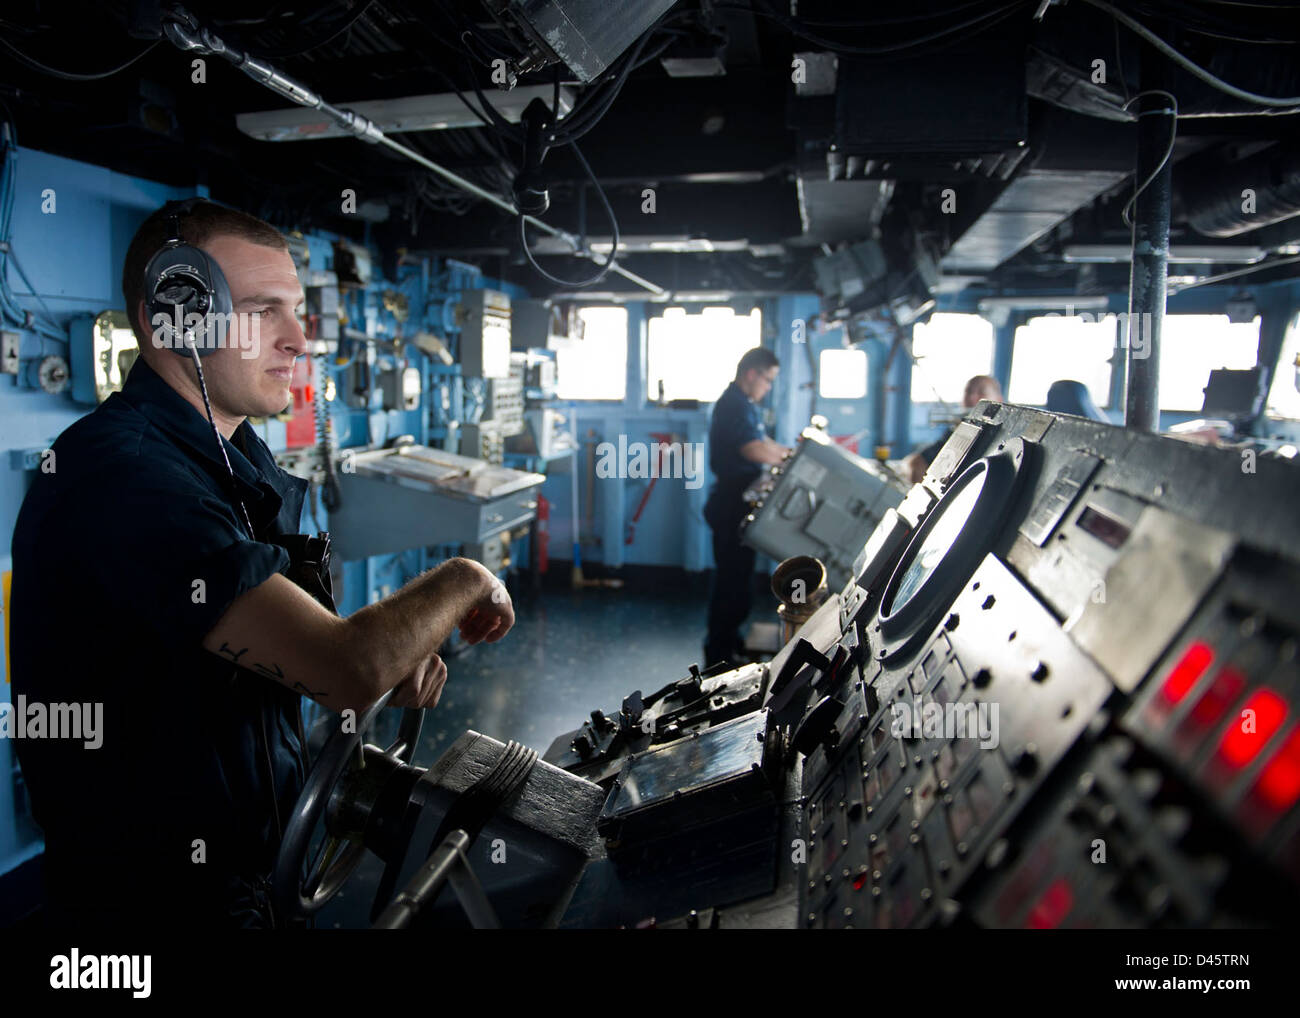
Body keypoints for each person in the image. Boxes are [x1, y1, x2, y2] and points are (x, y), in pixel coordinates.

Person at [9, 198, 515, 930]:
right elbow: (346, 668)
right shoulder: (126, 479)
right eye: (263, 310)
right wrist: (468, 576)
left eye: (299, 310)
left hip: (255, 863)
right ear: (174, 321)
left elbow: (294, 647)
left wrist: (390, 646)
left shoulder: (230, 459)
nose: (299, 340)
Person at [703, 348, 792, 668]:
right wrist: (789, 458)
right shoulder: (732, 405)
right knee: (730, 582)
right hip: (730, 503)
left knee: (739, 581)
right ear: (752, 374)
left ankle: (730, 643)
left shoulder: (746, 406)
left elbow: (764, 443)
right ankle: (718, 655)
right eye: (767, 380)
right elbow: (754, 449)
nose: (768, 387)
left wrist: (791, 453)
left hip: (737, 502)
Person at [903, 374, 1003, 483]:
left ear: (999, 400)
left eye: (981, 392)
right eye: (968, 392)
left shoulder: (1003, 439)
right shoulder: (958, 430)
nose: (972, 398)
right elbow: (919, 461)